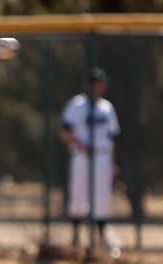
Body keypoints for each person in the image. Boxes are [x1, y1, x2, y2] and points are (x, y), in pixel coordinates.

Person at [59, 67, 120, 250]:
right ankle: (76, 239)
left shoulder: (107, 108)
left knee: (102, 198)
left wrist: (114, 164)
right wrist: (81, 145)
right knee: (78, 195)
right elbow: (64, 132)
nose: (97, 87)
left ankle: (101, 239)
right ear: (87, 85)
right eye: (94, 83)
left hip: (103, 156)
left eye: (100, 84)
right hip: (82, 156)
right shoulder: (77, 105)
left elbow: (111, 138)